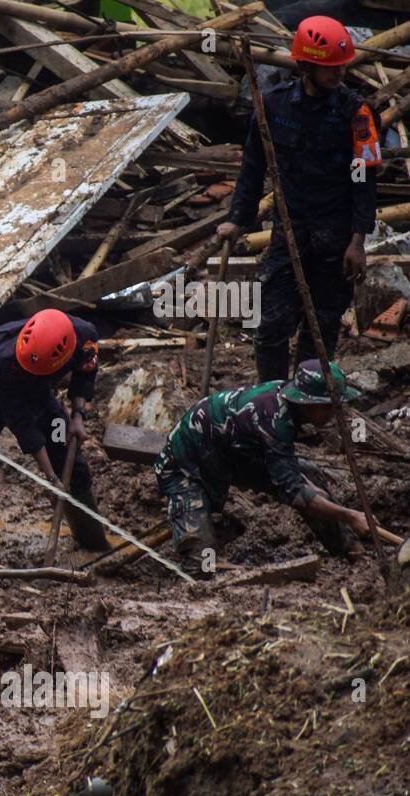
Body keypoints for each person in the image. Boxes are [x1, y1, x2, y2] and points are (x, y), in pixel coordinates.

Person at [217, 15, 379, 383]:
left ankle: (308, 403)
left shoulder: (357, 114)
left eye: (341, 67)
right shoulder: (271, 107)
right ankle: (270, 403)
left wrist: (358, 241)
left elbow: (364, 182)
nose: (338, 74)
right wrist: (238, 218)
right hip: (288, 236)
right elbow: (253, 168)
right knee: (271, 325)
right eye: (328, 68)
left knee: (320, 329)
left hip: (335, 239)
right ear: (305, 65)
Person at [154, 359, 370, 575]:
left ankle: (352, 551)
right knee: (202, 562)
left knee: (309, 477)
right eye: (327, 407)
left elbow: (290, 477)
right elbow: (292, 491)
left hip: (237, 455)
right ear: (307, 402)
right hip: (185, 466)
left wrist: (311, 493)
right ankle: (198, 577)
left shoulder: (287, 399)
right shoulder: (273, 419)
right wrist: (350, 515)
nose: (332, 413)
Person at [0, 309, 108, 582]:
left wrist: (78, 416)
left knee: (65, 454)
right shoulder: (4, 359)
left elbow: (86, 372)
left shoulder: (84, 336)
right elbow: (23, 425)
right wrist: (50, 478)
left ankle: (94, 544)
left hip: (38, 393)